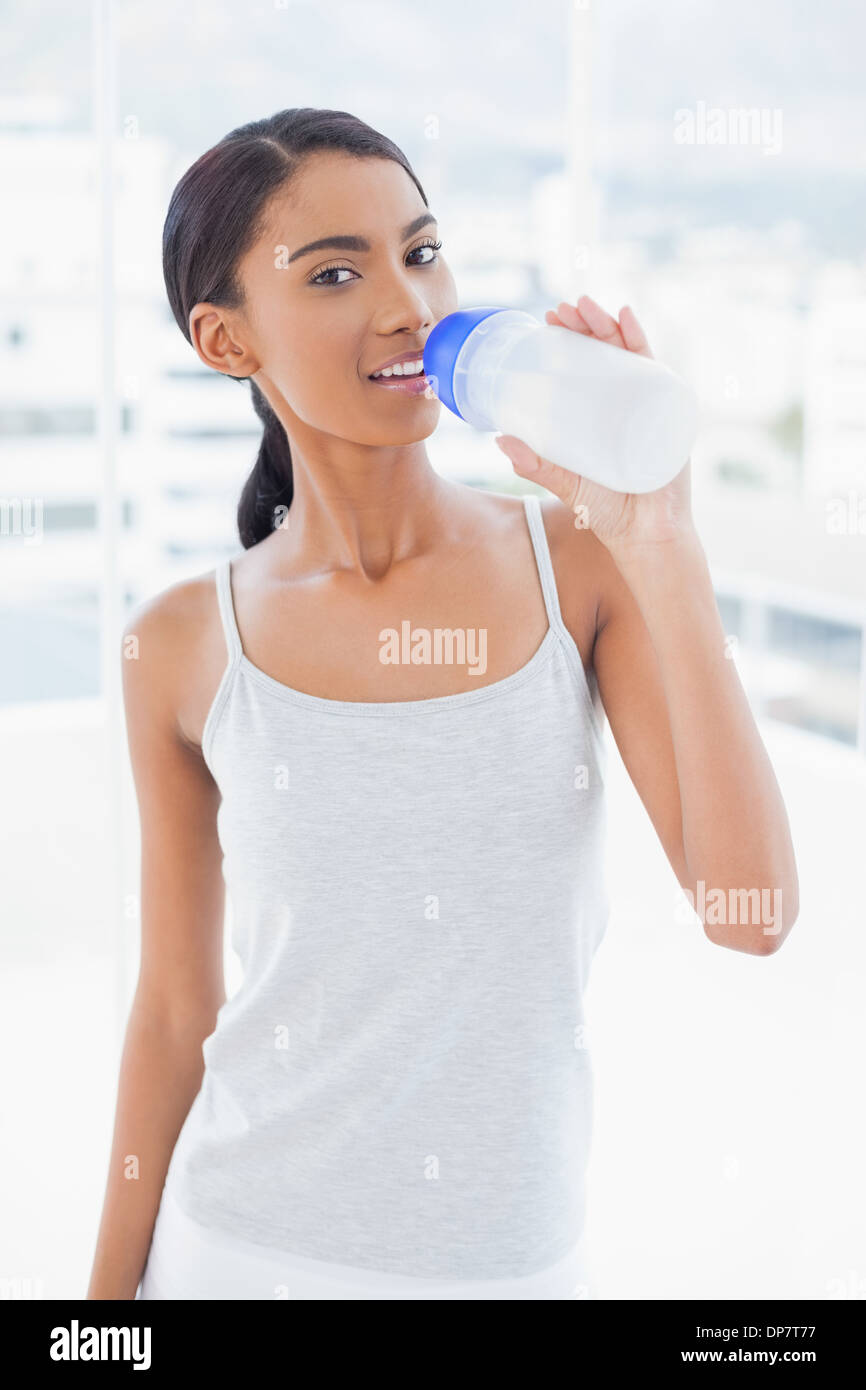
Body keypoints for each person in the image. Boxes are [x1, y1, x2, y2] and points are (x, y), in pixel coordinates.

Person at [86, 107, 799, 1301]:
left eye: (419, 252)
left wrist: (662, 542)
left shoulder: (577, 565)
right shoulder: (177, 644)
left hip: (515, 1268)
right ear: (225, 340)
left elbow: (753, 910)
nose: (407, 306)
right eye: (332, 273)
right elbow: (172, 1013)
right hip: (238, 1256)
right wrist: (95, 1321)